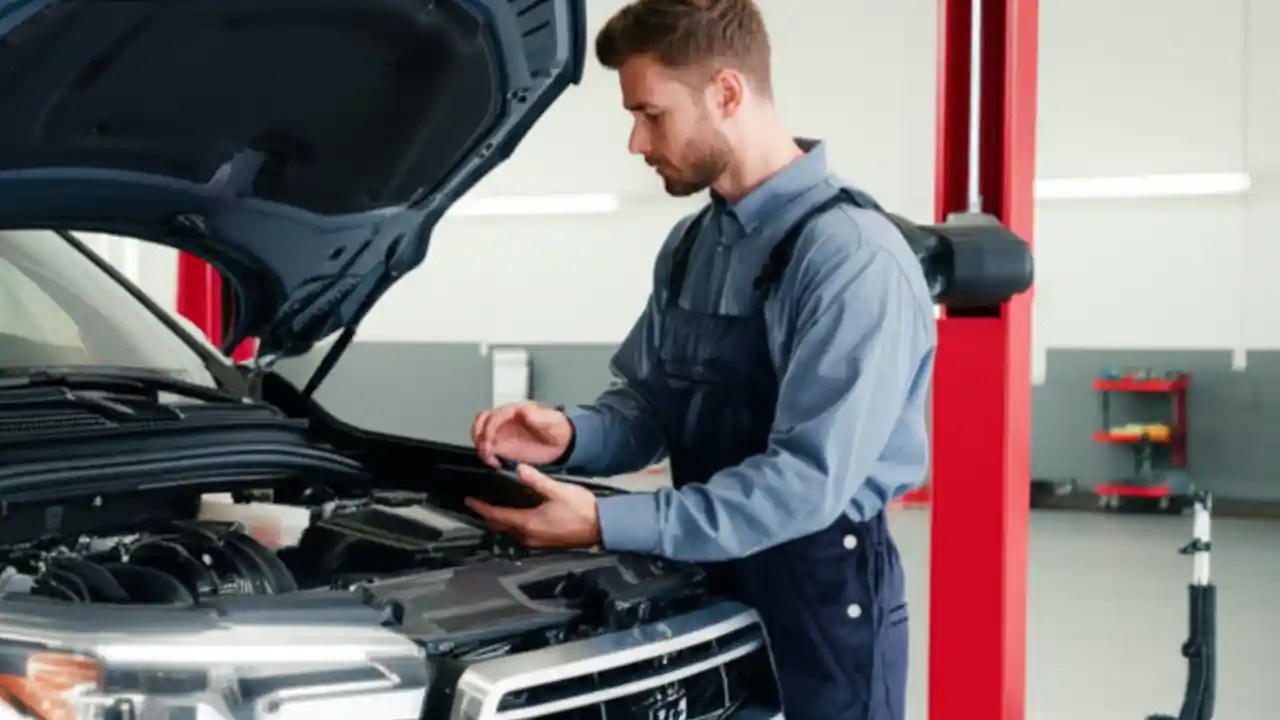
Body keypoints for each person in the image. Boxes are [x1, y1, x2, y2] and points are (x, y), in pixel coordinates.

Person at [466, 1, 936, 718]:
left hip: (818, 599)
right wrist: (571, 435)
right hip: (706, 576)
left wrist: (607, 522)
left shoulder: (851, 259)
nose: (636, 142)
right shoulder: (692, 246)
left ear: (727, 93)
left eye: (651, 114)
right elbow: (652, 405)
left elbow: (805, 484)